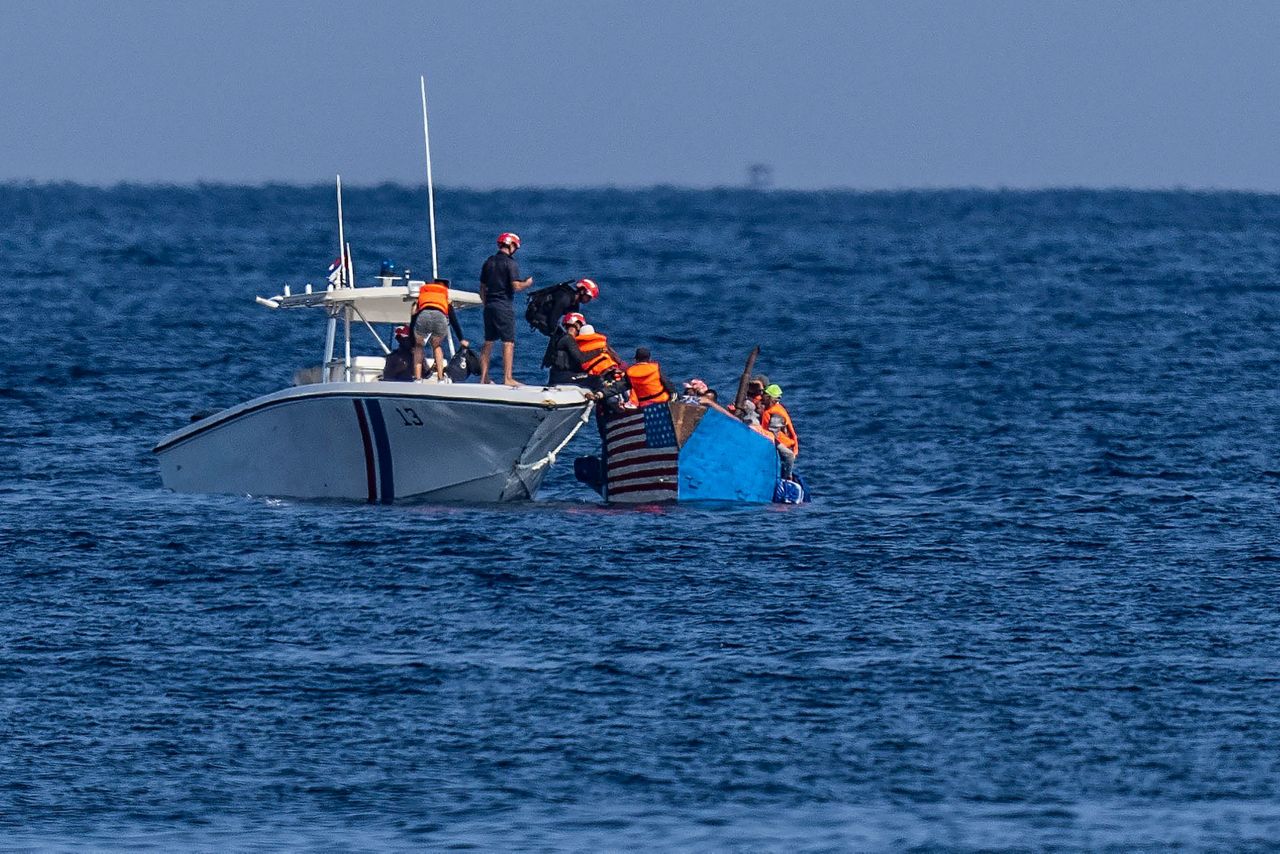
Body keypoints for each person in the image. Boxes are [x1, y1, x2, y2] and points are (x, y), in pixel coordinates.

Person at [478, 232, 533, 386]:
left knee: (488, 341)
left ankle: (484, 378)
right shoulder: (511, 263)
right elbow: (515, 286)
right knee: (508, 342)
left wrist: (486, 303)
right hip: (503, 306)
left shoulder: (488, 262)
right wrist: (527, 284)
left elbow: (482, 288)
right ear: (511, 245)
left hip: (489, 306)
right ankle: (508, 378)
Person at [411, 277, 454, 382]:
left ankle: (417, 378)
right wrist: (461, 338)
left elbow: (414, 312)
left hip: (424, 315)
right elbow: (453, 318)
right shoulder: (445, 297)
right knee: (436, 346)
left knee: (419, 346)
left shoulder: (424, 293)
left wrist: (411, 331)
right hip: (440, 316)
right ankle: (441, 378)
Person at [759, 383, 799, 480]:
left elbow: (773, 434)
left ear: (770, 398)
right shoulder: (769, 409)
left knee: (789, 456)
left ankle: (787, 478)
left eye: (764, 395)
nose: (761, 397)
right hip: (774, 440)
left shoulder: (777, 413)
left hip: (783, 444)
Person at [546, 312, 590, 386]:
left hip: (557, 376)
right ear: (577, 325)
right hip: (564, 377)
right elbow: (580, 358)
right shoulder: (568, 339)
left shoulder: (560, 337)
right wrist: (598, 352)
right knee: (596, 379)